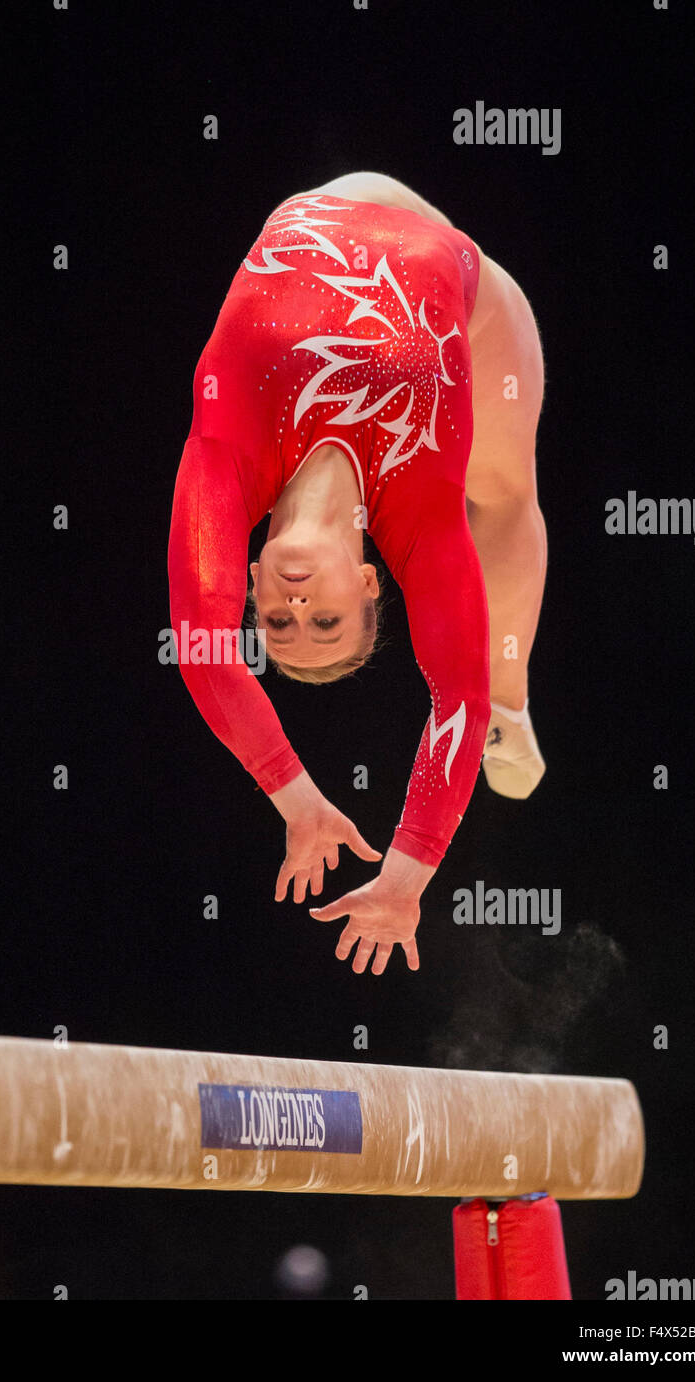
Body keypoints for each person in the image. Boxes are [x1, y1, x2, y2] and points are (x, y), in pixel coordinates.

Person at [167, 171, 547, 975]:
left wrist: (296, 802)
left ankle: (509, 709)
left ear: (251, 585)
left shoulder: (223, 465)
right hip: (464, 279)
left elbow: (205, 658)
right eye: (326, 621)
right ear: (372, 584)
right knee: (505, 494)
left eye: (276, 623)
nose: (297, 609)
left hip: (321, 200)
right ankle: (520, 701)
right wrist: (405, 876)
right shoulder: (414, 508)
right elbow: (457, 698)